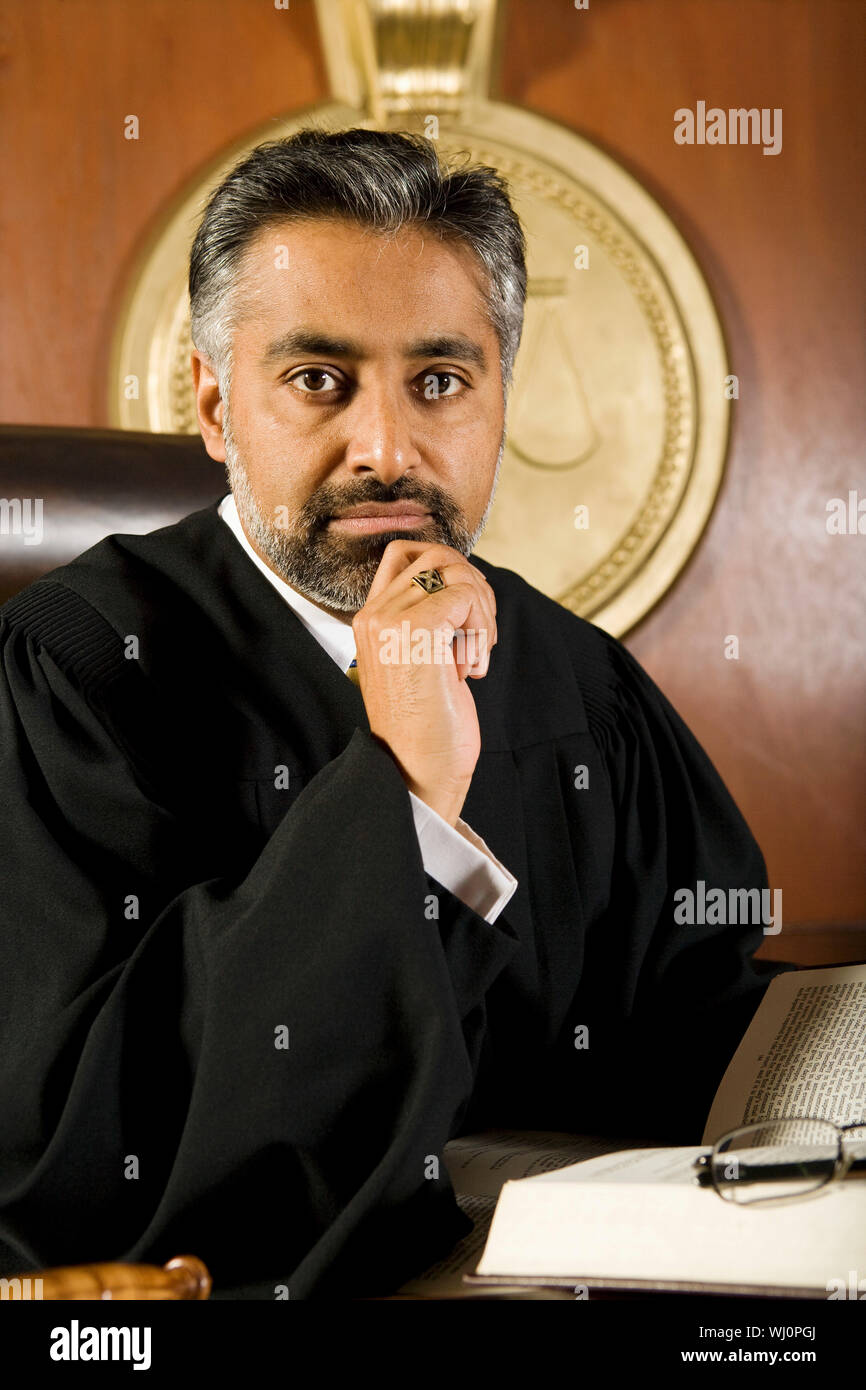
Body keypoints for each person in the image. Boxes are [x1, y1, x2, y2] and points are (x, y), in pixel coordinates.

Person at [0, 128, 787, 1300]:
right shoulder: (77, 671)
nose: (385, 448)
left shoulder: (581, 686)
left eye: (438, 382)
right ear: (217, 408)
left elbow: (694, 1025)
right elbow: (72, 1158)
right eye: (317, 380)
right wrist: (406, 786)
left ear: (498, 402)